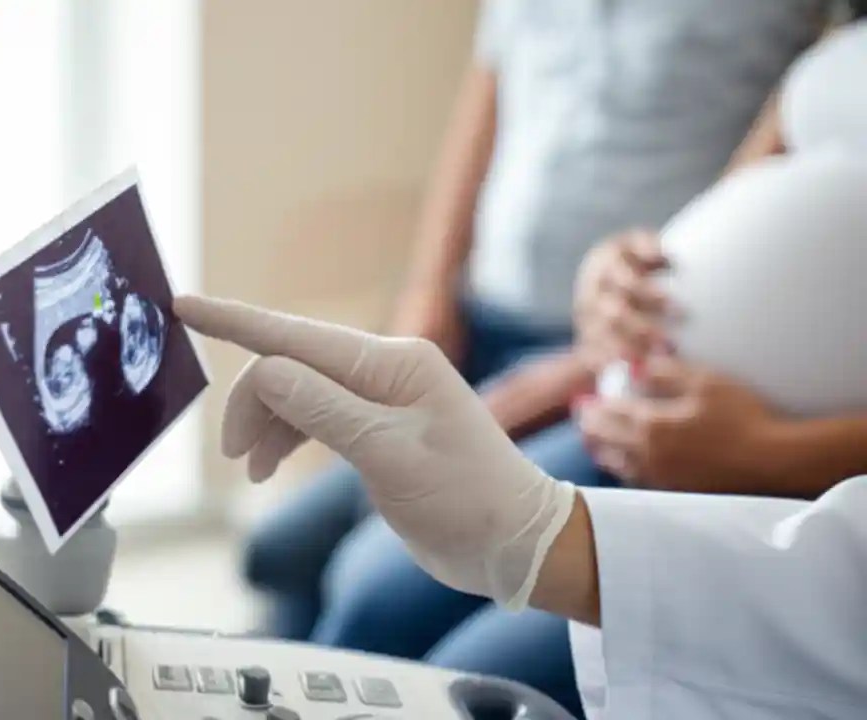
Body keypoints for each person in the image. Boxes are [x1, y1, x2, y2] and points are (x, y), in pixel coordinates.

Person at [244, 0, 831, 712]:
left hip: (624, 376)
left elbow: (727, 231)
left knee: (390, 608)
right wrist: (430, 299)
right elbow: (488, 93)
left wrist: (583, 366)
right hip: (495, 319)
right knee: (283, 553)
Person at [175, 292, 867, 719]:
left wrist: (771, 450)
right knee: (371, 588)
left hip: (779, 480)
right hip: (626, 401)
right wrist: (607, 283)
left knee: (462, 686)